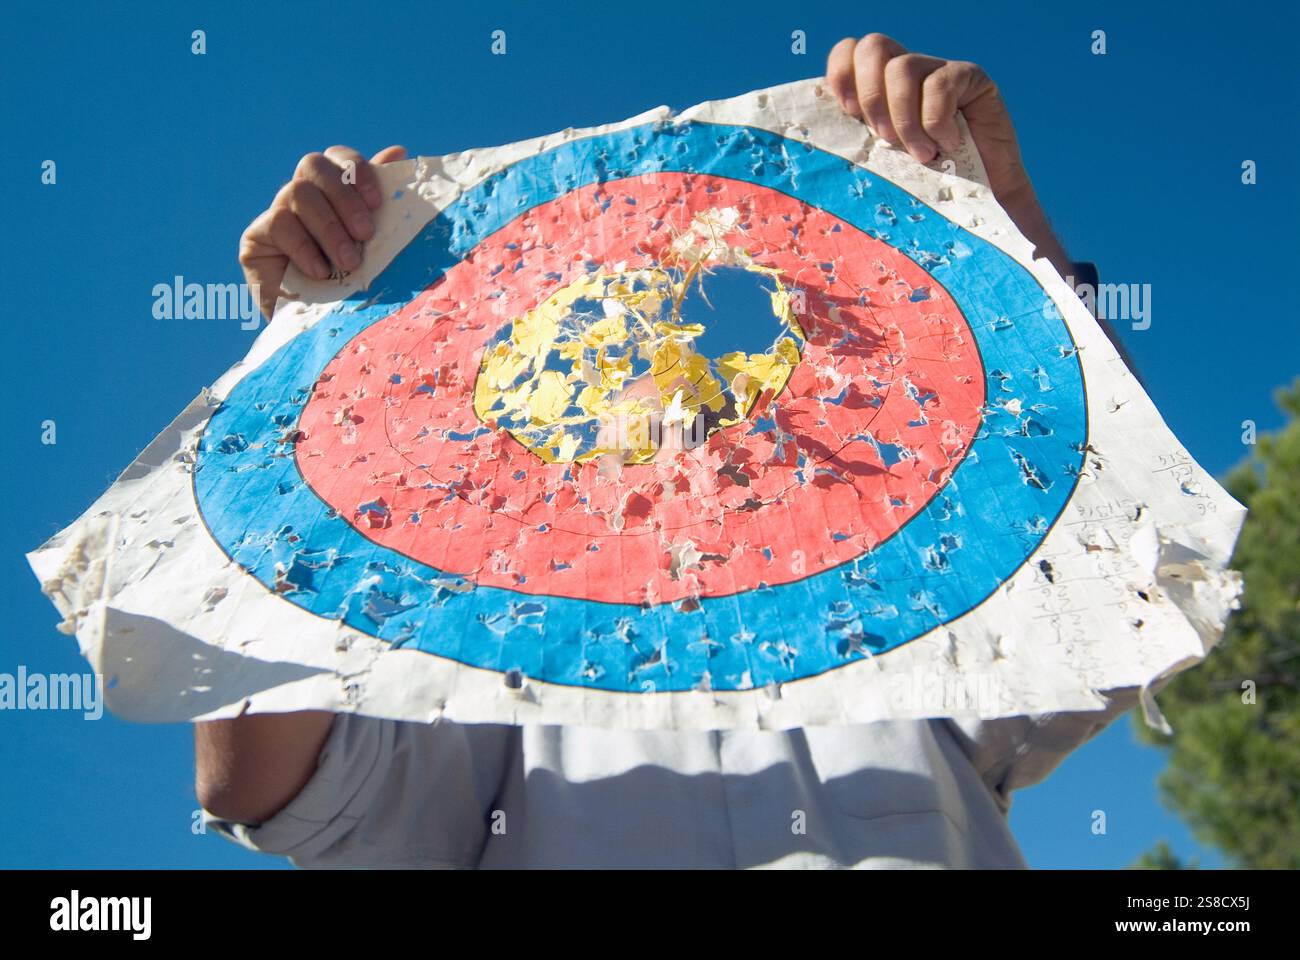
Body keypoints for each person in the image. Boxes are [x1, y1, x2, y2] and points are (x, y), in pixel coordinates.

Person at [200, 33, 1140, 868]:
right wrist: (305, 374)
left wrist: (1004, 224)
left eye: (700, 382)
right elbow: (264, 787)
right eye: (620, 382)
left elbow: (1103, 570)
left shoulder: (904, 622)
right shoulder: (486, 670)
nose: (667, 404)